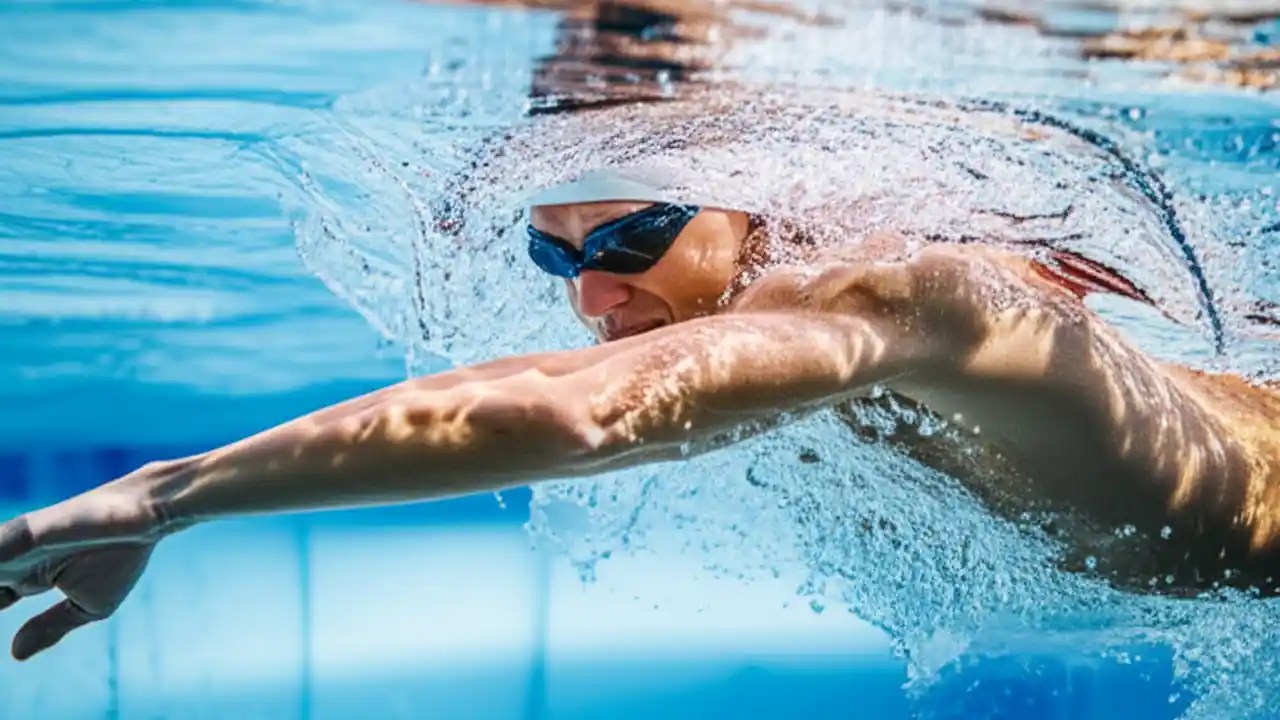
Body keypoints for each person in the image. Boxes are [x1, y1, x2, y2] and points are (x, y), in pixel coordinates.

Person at [2, 167, 1278, 662]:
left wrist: (171, 499)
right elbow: (506, 391)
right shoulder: (797, 332)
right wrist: (184, 484)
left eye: (632, 235)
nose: (594, 295)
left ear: (759, 208)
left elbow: (575, 420)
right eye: (560, 257)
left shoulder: (895, 294)